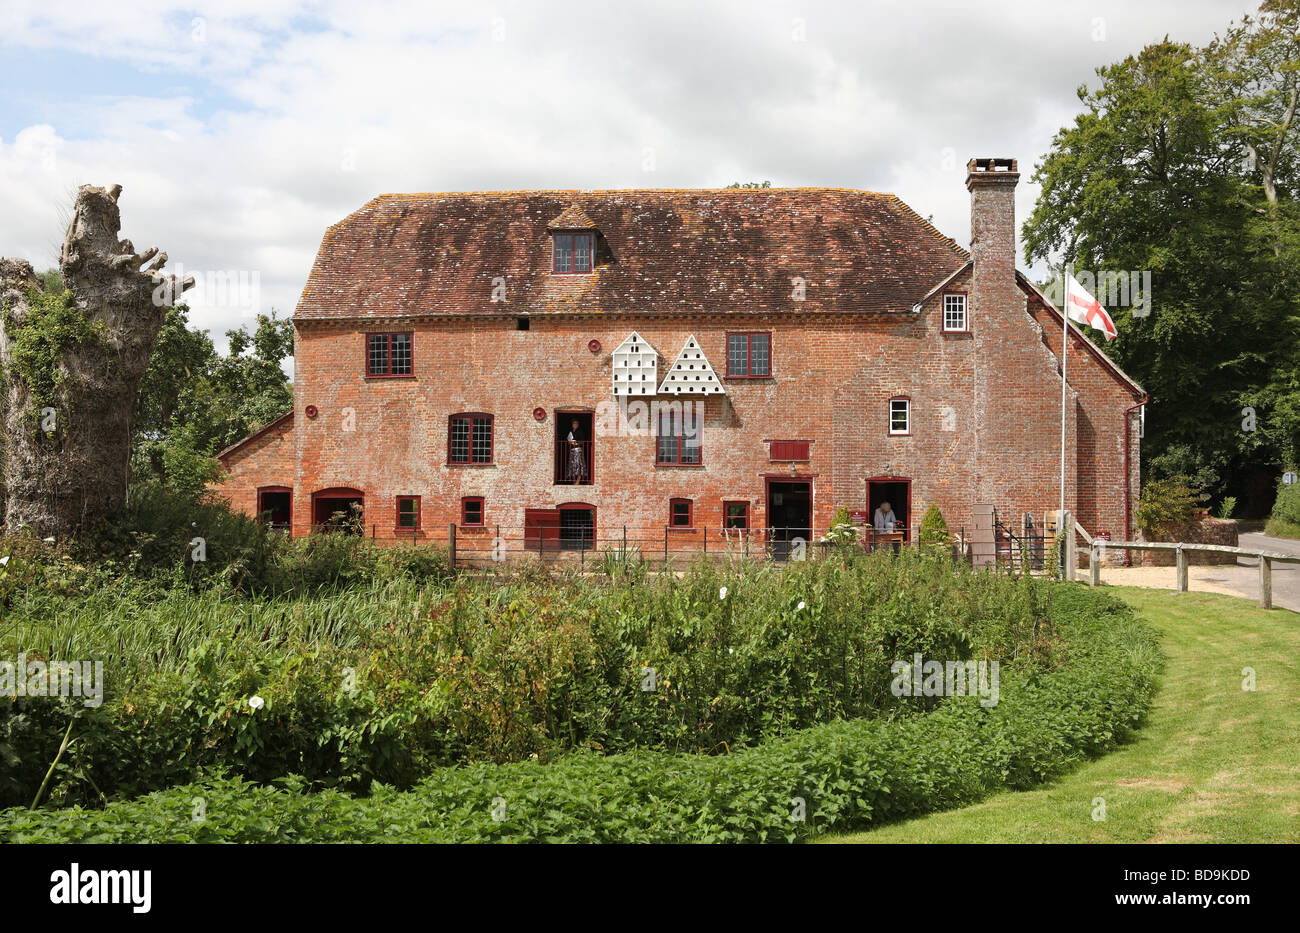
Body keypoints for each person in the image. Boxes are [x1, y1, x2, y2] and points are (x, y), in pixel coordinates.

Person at [566, 419, 587, 483]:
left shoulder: (580, 431)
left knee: (579, 465)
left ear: (578, 424)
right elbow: (568, 440)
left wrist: (577, 443)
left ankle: (578, 481)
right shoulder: (571, 431)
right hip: (572, 450)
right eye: (574, 423)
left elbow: (583, 441)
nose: (575, 424)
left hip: (578, 450)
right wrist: (570, 442)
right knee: (573, 465)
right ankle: (573, 480)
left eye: (576, 423)